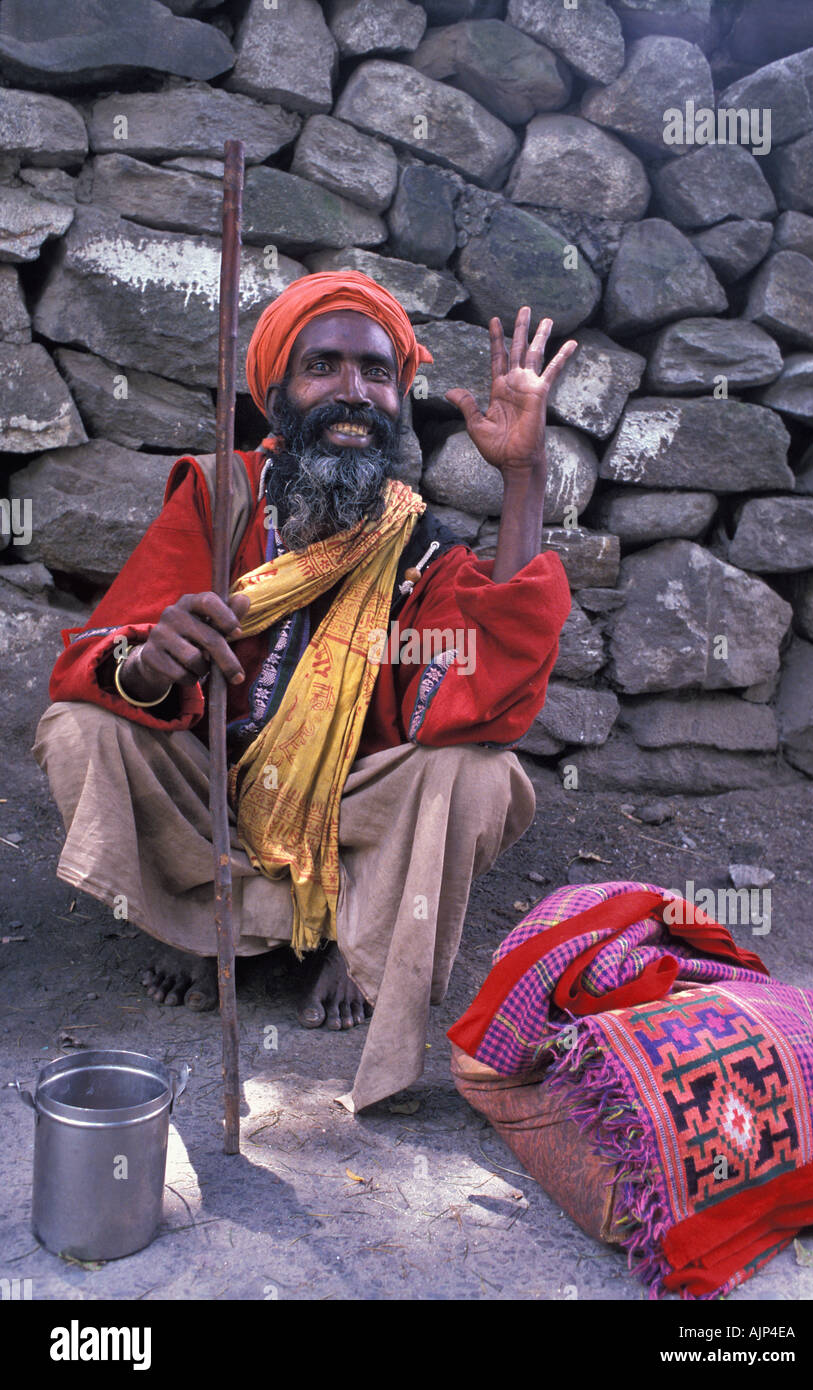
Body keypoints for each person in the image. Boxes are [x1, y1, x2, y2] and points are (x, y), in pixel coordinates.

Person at [33, 270, 575, 1111]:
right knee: (80, 726)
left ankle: (358, 946)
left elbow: (493, 675)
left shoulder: (417, 543)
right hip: (214, 791)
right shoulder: (223, 496)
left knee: (481, 774)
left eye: (377, 374)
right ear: (279, 390)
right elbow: (104, 652)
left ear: (398, 400)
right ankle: (192, 921)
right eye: (323, 367)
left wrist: (525, 474)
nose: (353, 394)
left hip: (346, 816)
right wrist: (149, 664)